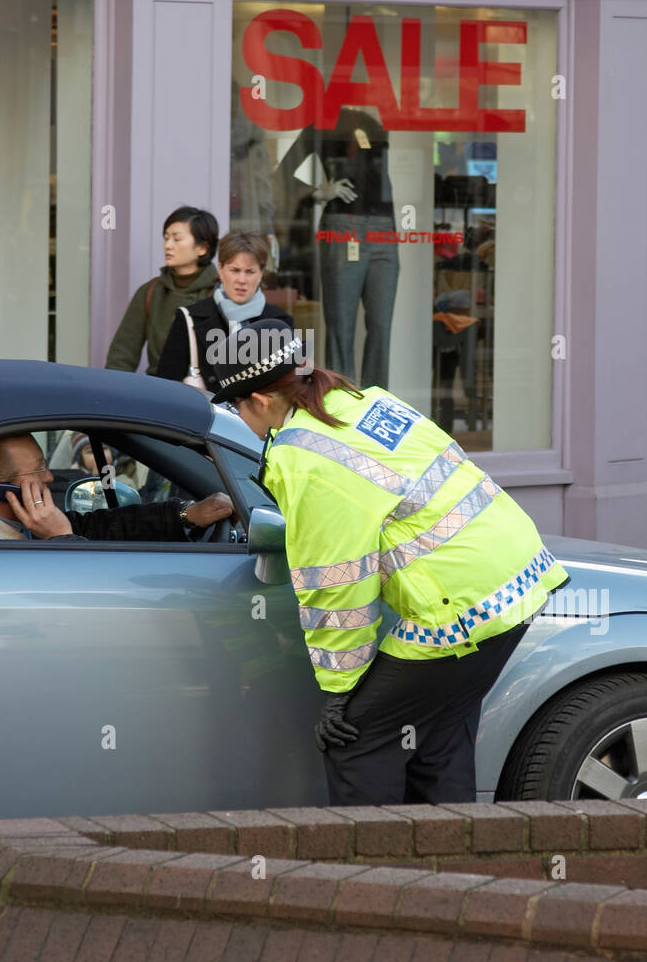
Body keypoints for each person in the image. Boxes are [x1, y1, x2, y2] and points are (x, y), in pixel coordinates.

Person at [209, 318, 570, 807]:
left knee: (355, 741)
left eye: (233, 405)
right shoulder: (360, 400)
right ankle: (454, 875)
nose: (237, 416)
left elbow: (337, 581)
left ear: (258, 400)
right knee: (438, 740)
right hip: (518, 573)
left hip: (457, 606)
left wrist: (341, 688)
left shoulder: (303, 458)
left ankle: (373, 878)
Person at [0, 433, 233, 543]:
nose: (49, 477)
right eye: (38, 469)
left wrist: (187, 514)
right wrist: (60, 538)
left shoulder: (10, 525)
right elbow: (79, 584)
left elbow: (101, 526)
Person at [156, 230, 292, 393]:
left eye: (250, 272)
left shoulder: (280, 321)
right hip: (210, 416)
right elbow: (165, 387)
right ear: (220, 270)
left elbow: (289, 386)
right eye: (234, 270)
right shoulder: (189, 318)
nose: (242, 280)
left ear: (261, 274)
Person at [105, 206, 219, 376]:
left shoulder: (220, 293)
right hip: (159, 392)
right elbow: (122, 355)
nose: (168, 246)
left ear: (202, 248)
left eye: (177, 239)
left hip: (205, 396)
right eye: (166, 238)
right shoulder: (150, 292)